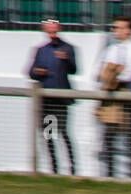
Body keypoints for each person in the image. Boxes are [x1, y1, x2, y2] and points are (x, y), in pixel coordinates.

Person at [96, 16, 131, 179]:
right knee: (108, 137)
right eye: (114, 27)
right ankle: (109, 175)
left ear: (129, 30)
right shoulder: (111, 49)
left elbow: (128, 75)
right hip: (113, 100)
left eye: (119, 27)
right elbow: (101, 73)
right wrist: (111, 75)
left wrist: (112, 74)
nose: (115, 30)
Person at [28, 19, 77, 175]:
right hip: (46, 99)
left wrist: (66, 59)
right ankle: (53, 168)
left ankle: (72, 167)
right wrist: (38, 72)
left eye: (54, 31)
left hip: (61, 99)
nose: (52, 35)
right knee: (49, 134)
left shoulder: (68, 48)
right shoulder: (41, 50)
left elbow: (74, 69)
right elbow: (31, 72)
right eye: (49, 32)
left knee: (63, 132)